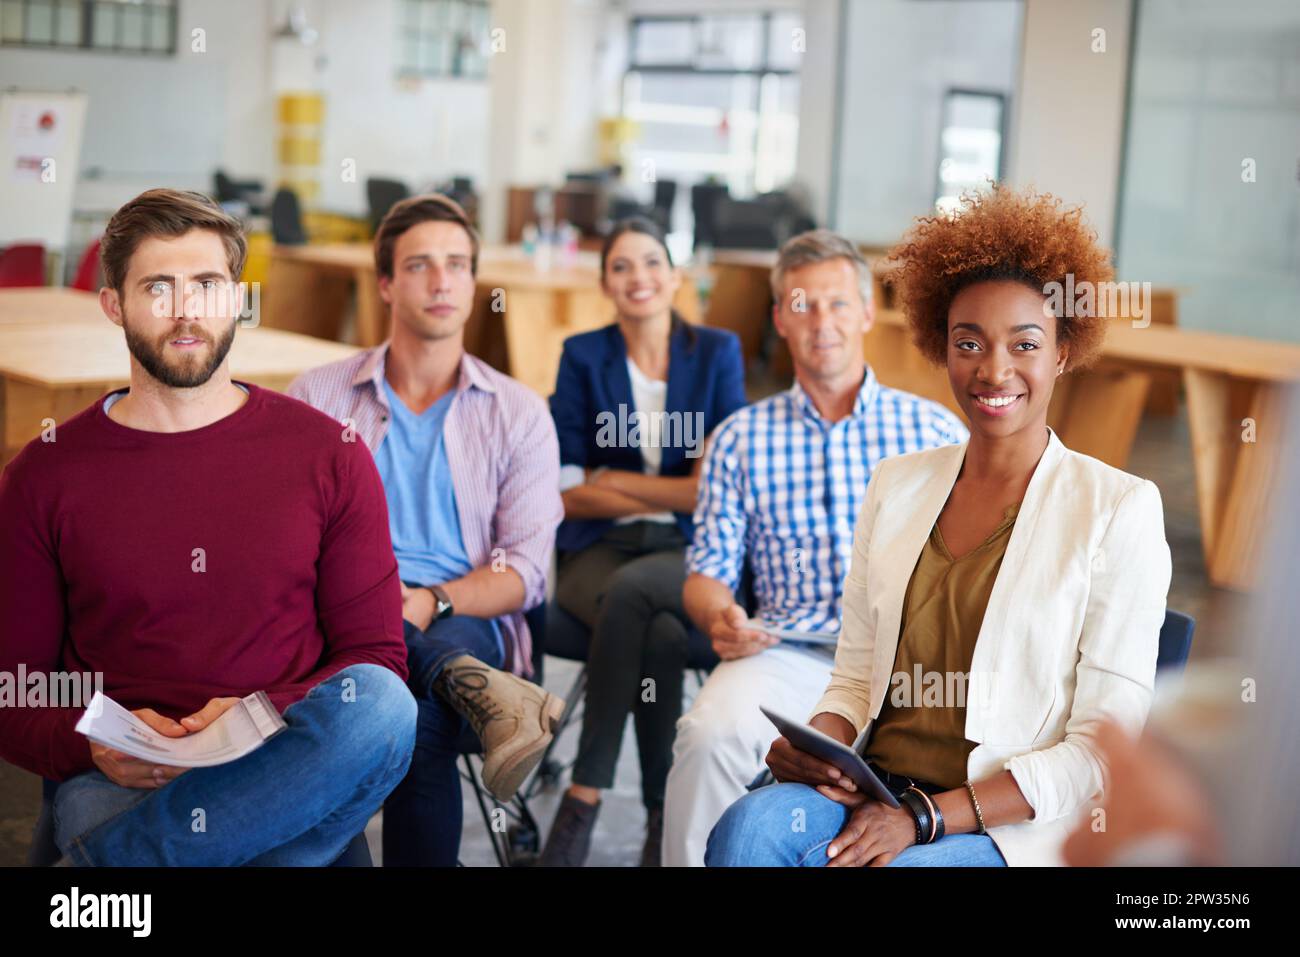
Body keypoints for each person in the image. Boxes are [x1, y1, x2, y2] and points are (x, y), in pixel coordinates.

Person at [706, 185, 1173, 867]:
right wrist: (818, 743)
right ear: (941, 345)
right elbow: (856, 677)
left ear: (1064, 352)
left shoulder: (1116, 509)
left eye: (1025, 343)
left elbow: (1102, 748)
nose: (993, 369)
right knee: (745, 833)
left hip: (997, 823)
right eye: (969, 342)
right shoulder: (898, 484)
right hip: (874, 787)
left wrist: (925, 818)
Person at [0, 188, 416, 865]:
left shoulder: (330, 453)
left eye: (206, 284)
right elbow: (15, 688)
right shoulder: (43, 476)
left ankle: (104, 870)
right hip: (128, 778)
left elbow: (374, 659)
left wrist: (259, 712)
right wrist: (92, 743)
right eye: (157, 287)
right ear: (114, 304)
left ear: (237, 299)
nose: (186, 310)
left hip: (286, 756)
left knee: (382, 705)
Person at [661, 229, 968, 866]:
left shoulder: (935, 431)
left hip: (898, 667)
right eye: (802, 305)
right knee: (708, 734)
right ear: (779, 319)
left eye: (835, 303)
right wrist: (720, 614)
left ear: (864, 313)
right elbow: (706, 572)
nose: (820, 322)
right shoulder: (739, 438)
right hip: (787, 653)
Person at [289, 194, 565, 867]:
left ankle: (457, 675)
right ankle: (486, 695)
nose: (442, 281)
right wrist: (371, 599)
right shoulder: (317, 397)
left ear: (473, 281)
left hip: (464, 612)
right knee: (429, 702)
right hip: (339, 609)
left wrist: (429, 600)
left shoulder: (519, 413)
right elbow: (286, 546)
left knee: (422, 713)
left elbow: (524, 571)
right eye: (419, 265)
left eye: (457, 265)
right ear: (385, 283)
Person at [539, 217, 746, 867]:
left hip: (683, 550)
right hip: (594, 549)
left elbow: (717, 485)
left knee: (639, 599)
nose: (639, 278)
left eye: (652, 262)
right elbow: (568, 490)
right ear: (605, 282)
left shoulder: (715, 352)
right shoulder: (583, 355)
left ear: (677, 275)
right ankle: (663, 820)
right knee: (653, 627)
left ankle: (583, 801)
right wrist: (670, 485)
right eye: (622, 266)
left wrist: (617, 479)